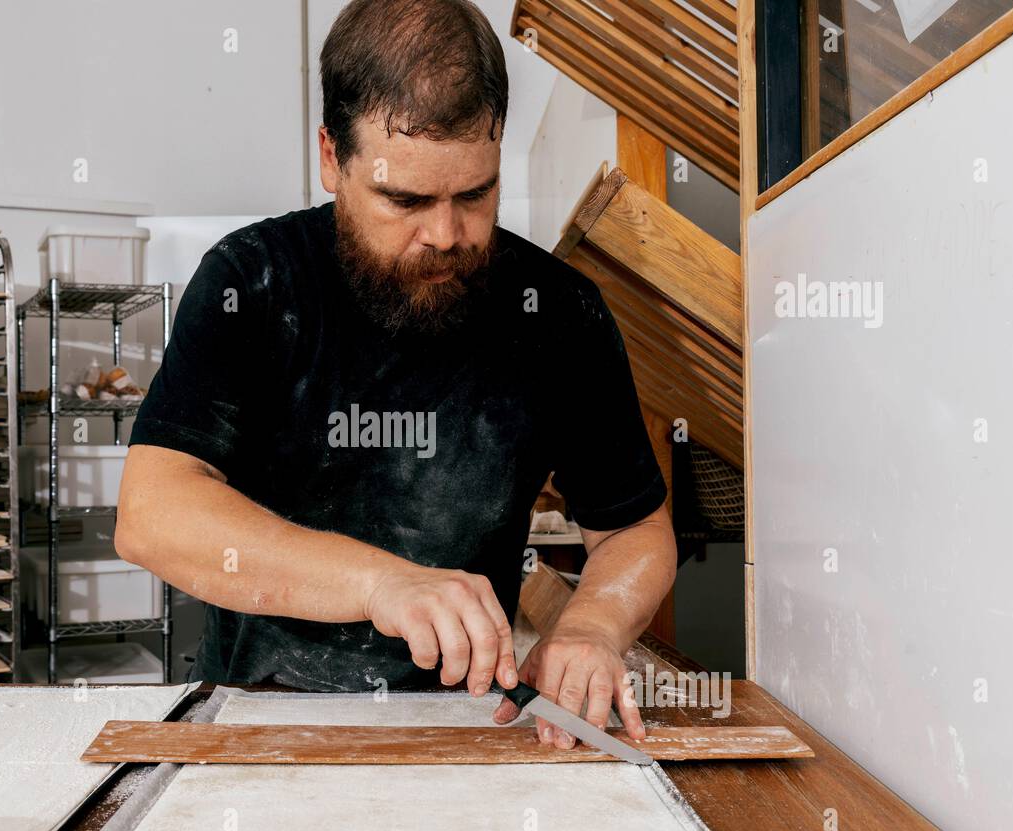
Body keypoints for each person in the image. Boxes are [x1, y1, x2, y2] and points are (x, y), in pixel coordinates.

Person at [116, 0, 675, 749]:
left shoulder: (559, 314)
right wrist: (380, 584)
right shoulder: (251, 283)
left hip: (473, 722)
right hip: (264, 719)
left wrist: (596, 626)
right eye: (404, 200)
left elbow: (636, 531)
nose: (445, 236)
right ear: (330, 157)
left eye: (474, 194)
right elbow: (152, 513)